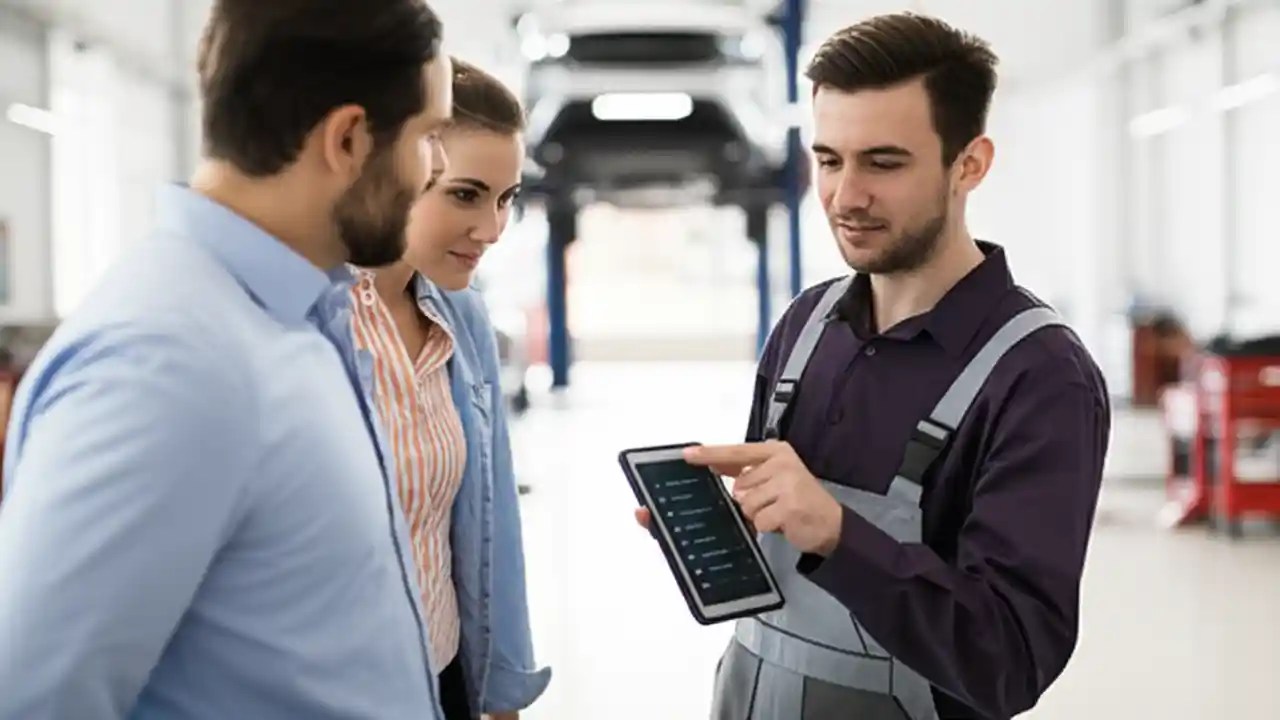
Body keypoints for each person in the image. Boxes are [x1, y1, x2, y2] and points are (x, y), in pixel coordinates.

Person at [637, 12, 1109, 720]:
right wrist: (719, 537)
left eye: (883, 163)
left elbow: (1008, 662)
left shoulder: (1039, 376)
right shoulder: (805, 325)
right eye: (829, 160)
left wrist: (838, 535)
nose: (844, 197)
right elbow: (781, 560)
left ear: (970, 164)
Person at [0, 1, 462, 718]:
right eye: (430, 134)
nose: (435, 167)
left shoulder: (297, 320)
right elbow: (33, 696)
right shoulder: (166, 363)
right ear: (347, 138)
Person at [350, 58, 547, 720]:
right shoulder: (299, 325)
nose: (492, 229)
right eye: (465, 194)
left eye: (506, 198)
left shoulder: (460, 317)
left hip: (443, 679)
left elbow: (490, 517)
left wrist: (502, 692)